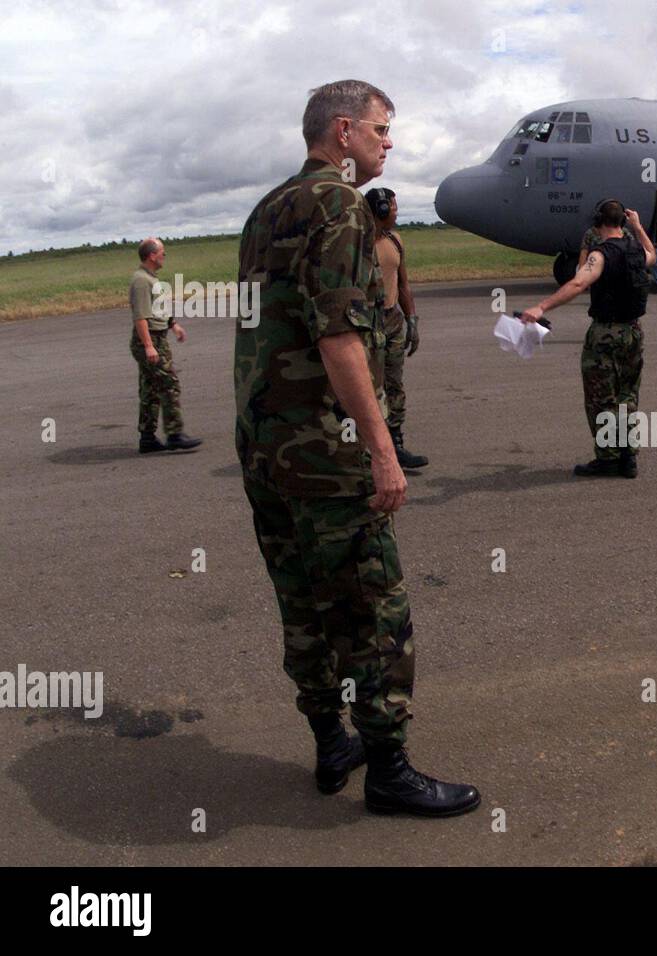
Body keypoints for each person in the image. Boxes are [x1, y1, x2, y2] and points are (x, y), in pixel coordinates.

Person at [235, 79, 479, 817]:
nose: (388, 142)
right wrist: (381, 449)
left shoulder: (266, 208)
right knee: (373, 611)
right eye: (380, 129)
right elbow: (339, 337)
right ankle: (390, 769)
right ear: (343, 131)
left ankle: (329, 742)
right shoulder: (339, 205)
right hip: (327, 453)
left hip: (267, 451)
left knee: (304, 604)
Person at [520, 199, 655, 478]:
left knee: (600, 399)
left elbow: (579, 283)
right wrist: (639, 227)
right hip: (633, 333)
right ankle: (628, 456)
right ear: (622, 222)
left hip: (605, 334)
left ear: (597, 222)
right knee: (627, 396)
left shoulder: (600, 254)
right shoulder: (636, 251)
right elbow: (652, 253)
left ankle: (608, 459)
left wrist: (541, 307)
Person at [364, 187, 427, 470]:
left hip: (393, 322)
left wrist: (411, 320)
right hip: (366, 325)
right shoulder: (357, 245)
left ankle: (396, 444)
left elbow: (403, 284)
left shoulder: (396, 241)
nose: (396, 212)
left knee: (394, 385)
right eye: (393, 207)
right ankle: (361, 449)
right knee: (365, 388)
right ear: (379, 210)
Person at [128, 238, 201, 453]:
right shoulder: (141, 281)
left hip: (158, 337)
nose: (164, 256)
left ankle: (147, 439)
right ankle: (174, 434)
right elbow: (140, 317)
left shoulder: (150, 279)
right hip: (149, 340)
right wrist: (149, 346)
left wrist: (173, 325)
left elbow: (158, 308)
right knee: (169, 383)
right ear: (152, 255)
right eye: (162, 253)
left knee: (150, 390)